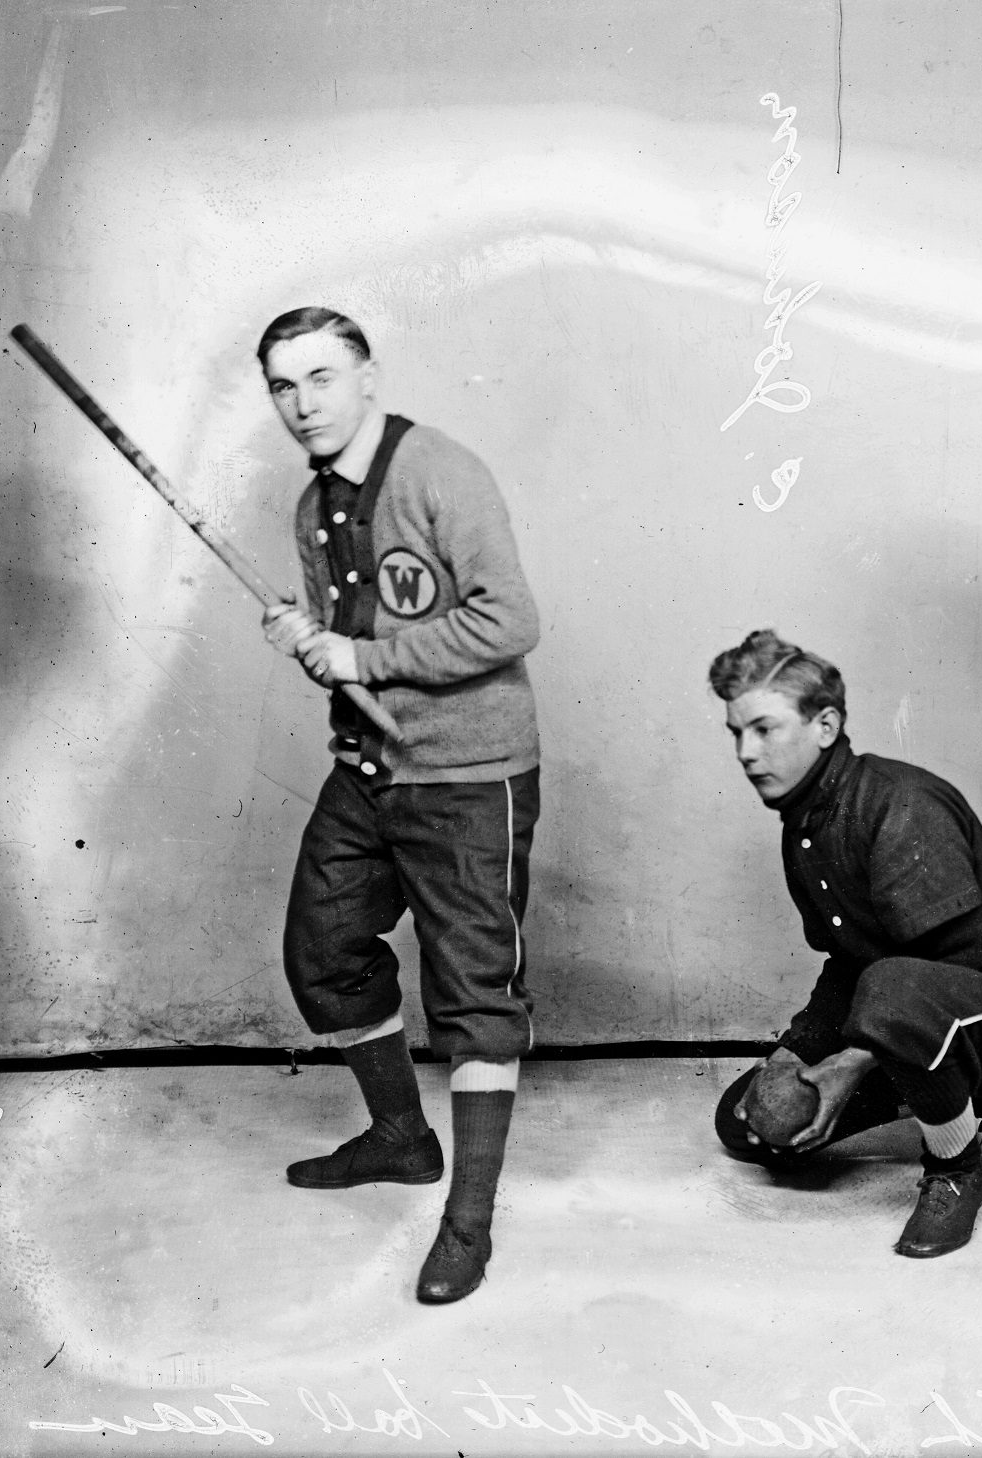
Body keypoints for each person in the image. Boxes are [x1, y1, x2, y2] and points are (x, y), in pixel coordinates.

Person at [258, 306, 543, 1304]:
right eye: (284, 386)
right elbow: (350, 652)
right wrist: (313, 644)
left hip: (467, 774)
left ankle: (468, 1224)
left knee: (475, 999)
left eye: (322, 378)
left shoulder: (439, 472)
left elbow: (510, 621)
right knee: (324, 951)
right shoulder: (312, 507)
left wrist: (360, 656)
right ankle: (399, 1137)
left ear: (367, 376)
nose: (303, 403)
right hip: (370, 770)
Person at [707, 629, 982, 1257]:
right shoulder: (805, 825)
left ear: (825, 725)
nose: (747, 753)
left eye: (765, 729)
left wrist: (851, 1065)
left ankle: (956, 1168)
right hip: (929, 1010)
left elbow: (959, 970)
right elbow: (848, 964)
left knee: (893, 989)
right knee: (751, 1122)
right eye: (737, 733)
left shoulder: (899, 804)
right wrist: (792, 1054)